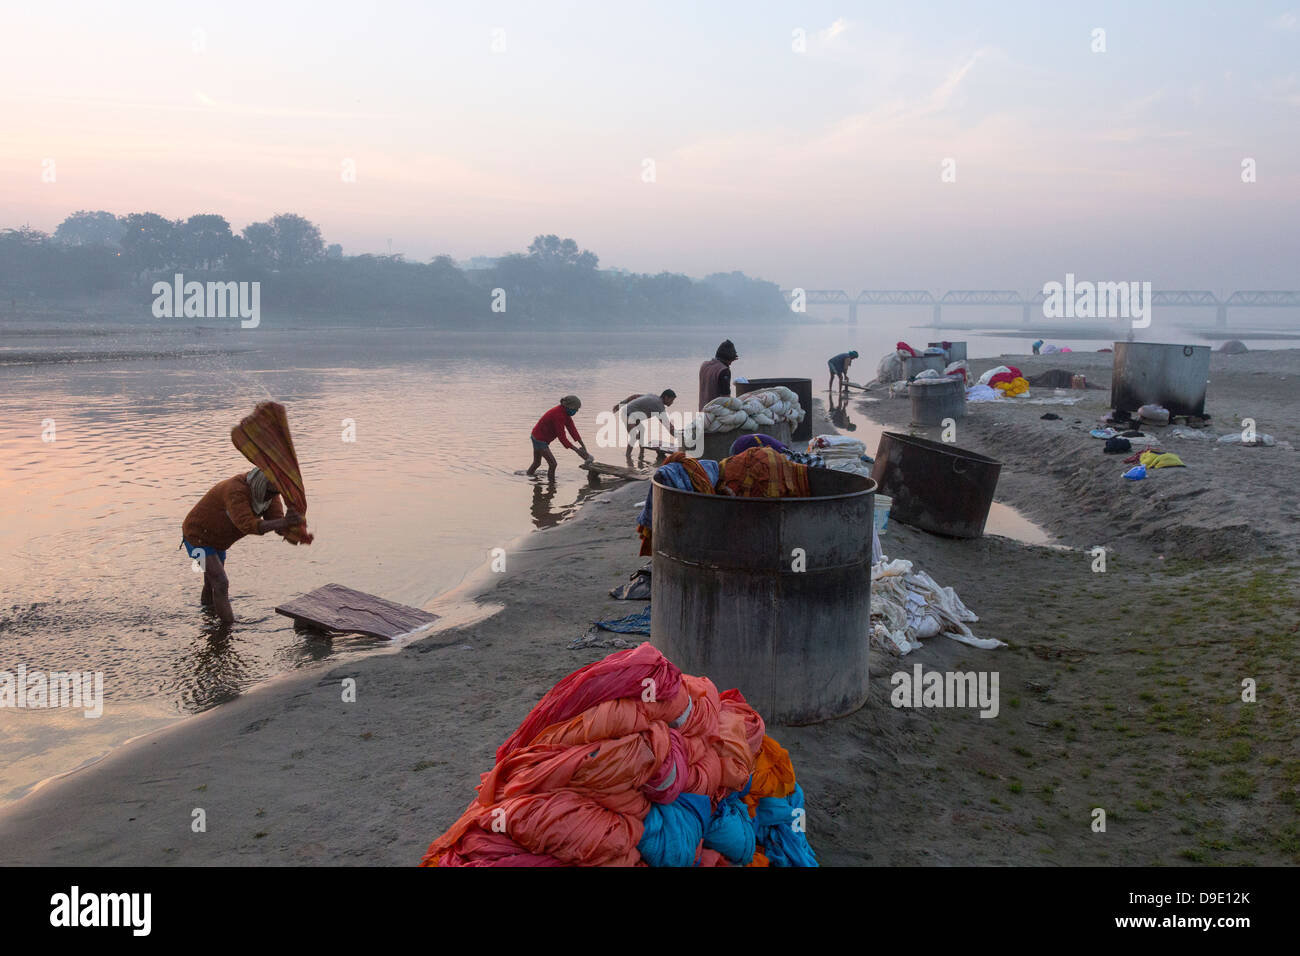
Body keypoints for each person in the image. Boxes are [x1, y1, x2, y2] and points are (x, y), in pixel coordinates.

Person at [181, 467, 303, 625]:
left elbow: (278, 525)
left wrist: (292, 526)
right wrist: (285, 522)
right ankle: (227, 629)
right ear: (262, 484)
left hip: (218, 541)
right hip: (196, 536)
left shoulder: (270, 495)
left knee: (211, 582)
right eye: (270, 493)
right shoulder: (236, 491)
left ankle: (208, 618)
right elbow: (247, 525)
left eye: (274, 494)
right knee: (220, 582)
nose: (271, 497)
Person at [527, 394, 592, 477]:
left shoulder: (565, 413)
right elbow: (561, 436)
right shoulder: (558, 414)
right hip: (539, 439)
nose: (576, 411)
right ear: (569, 406)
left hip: (537, 436)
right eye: (575, 409)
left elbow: (572, 430)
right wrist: (577, 450)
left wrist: (583, 447)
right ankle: (551, 485)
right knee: (553, 464)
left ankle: (529, 477)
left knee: (537, 463)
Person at [615, 389, 678, 461]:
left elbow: (634, 396)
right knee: (634, 437)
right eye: (671, 400)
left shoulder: (653, 396)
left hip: (634, 415)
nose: (672, 402)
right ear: (666, 397)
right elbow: (668, 426)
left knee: (642, 430)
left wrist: (620, 405)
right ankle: (628, 457)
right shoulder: (659, 406)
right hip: (627, 414)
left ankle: (641, 454)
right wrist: (679, 437)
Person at [698, 339, 738, 410]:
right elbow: (725, 398)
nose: (731, 363)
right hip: (715, 414)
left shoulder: (704, 365)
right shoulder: (724, 370)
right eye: (731, 360)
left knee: (700, 421)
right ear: (728, 358)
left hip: (702, 410)